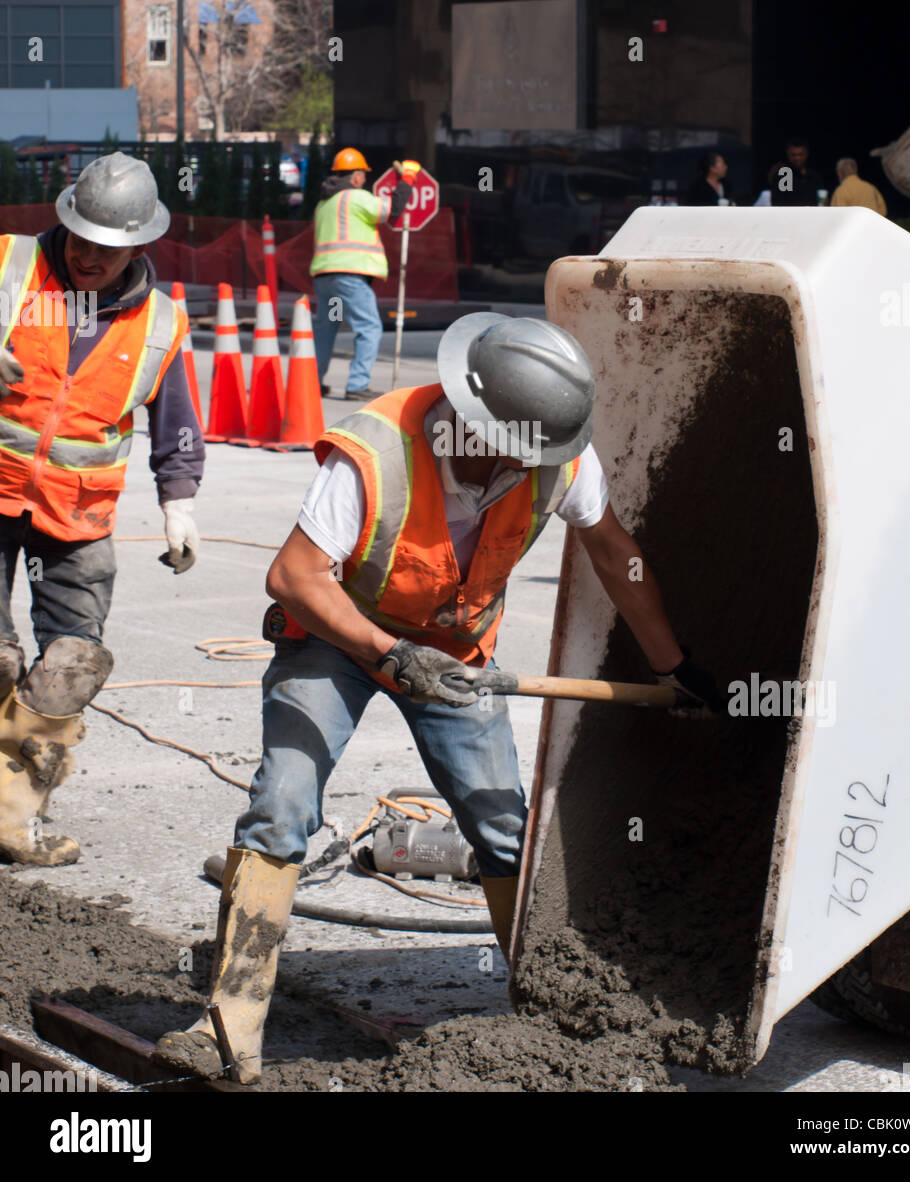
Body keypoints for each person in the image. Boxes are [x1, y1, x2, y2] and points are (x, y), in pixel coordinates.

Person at [155, 313, 721, 1084]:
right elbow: (293, 577)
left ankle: (544, 1009)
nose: (526, 464)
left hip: (454, 658)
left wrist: (672, 664)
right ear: (471, 415)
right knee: (283, 803)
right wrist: (387, 653)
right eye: (514, 447)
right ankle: (230, 1020)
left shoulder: (556, 457)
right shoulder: (376, 450)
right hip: (335, 637)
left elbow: (613, 552)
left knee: (501, 827)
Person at [0, 152, 204, 867]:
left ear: (140, 244)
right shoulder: (10, 269)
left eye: (110, 249)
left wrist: (179, 500)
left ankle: (13, 818)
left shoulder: (159, 322)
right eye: (83, 241)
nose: (91, 258)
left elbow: (177, 418)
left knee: (72, 665)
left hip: (77, 512)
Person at [310, 148, 418, 400]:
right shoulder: (356, 197)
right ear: (356, 176)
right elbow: (392, 210)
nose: (364, 180)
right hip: (349, 276)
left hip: (325, 278)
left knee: (325, 330)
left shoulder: (324, 204)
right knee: (368, 327)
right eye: (363, 175)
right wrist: (409, 178)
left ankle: (312, 380)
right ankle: (357, 385)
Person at [768, 139, 824, 207]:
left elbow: (822, 200)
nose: (797, 158)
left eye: (800, 154)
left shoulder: (814, 177)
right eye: (793, 155)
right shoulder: (782, 177)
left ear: (806, 155)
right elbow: (777, 204)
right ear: (788, 155)